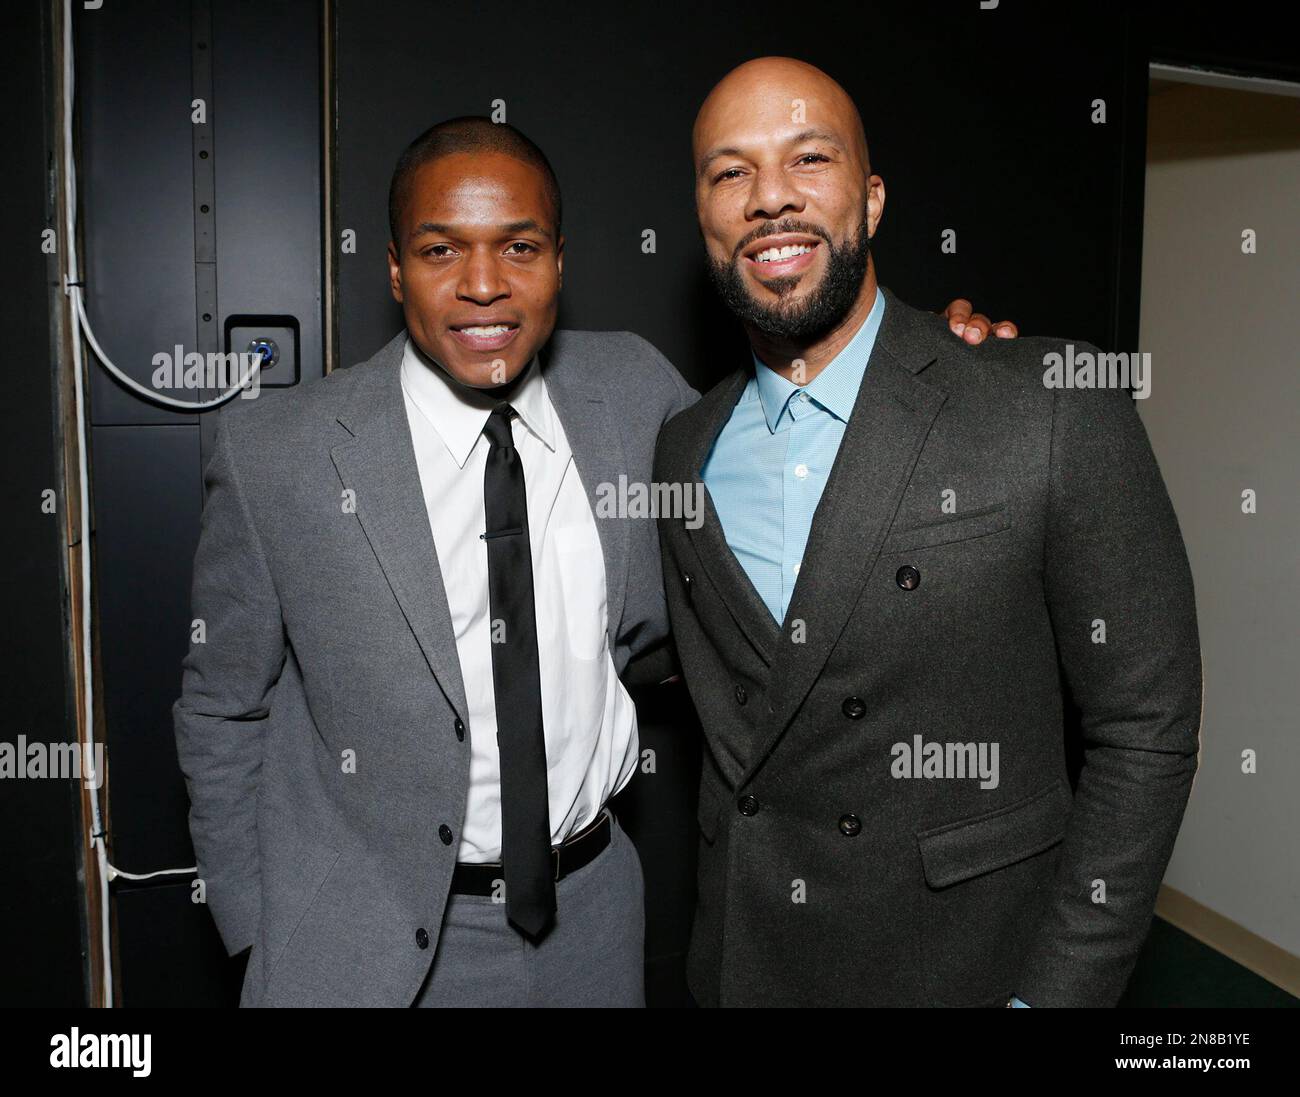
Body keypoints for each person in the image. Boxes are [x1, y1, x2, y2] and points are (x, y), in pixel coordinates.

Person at [173, 114, 1009, 1007]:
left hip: (595, 925)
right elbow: (222, 708)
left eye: (519, 248)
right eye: (441, 251)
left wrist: (931, 367)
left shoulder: (632, 394)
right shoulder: (280, 453)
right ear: (392, 268)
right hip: (364, 945)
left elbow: (791, 475)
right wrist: (259, 930)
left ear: (561, 263)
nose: (484, 285)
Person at [654, 57, 1202, 1007]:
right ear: (702, 219)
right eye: (731, 171)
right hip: (745, 969)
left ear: (870, 202)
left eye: (808, 159)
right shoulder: (681, 449)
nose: (770, 197)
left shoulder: (1050, 402)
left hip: (967, 970)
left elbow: (1146, 730)